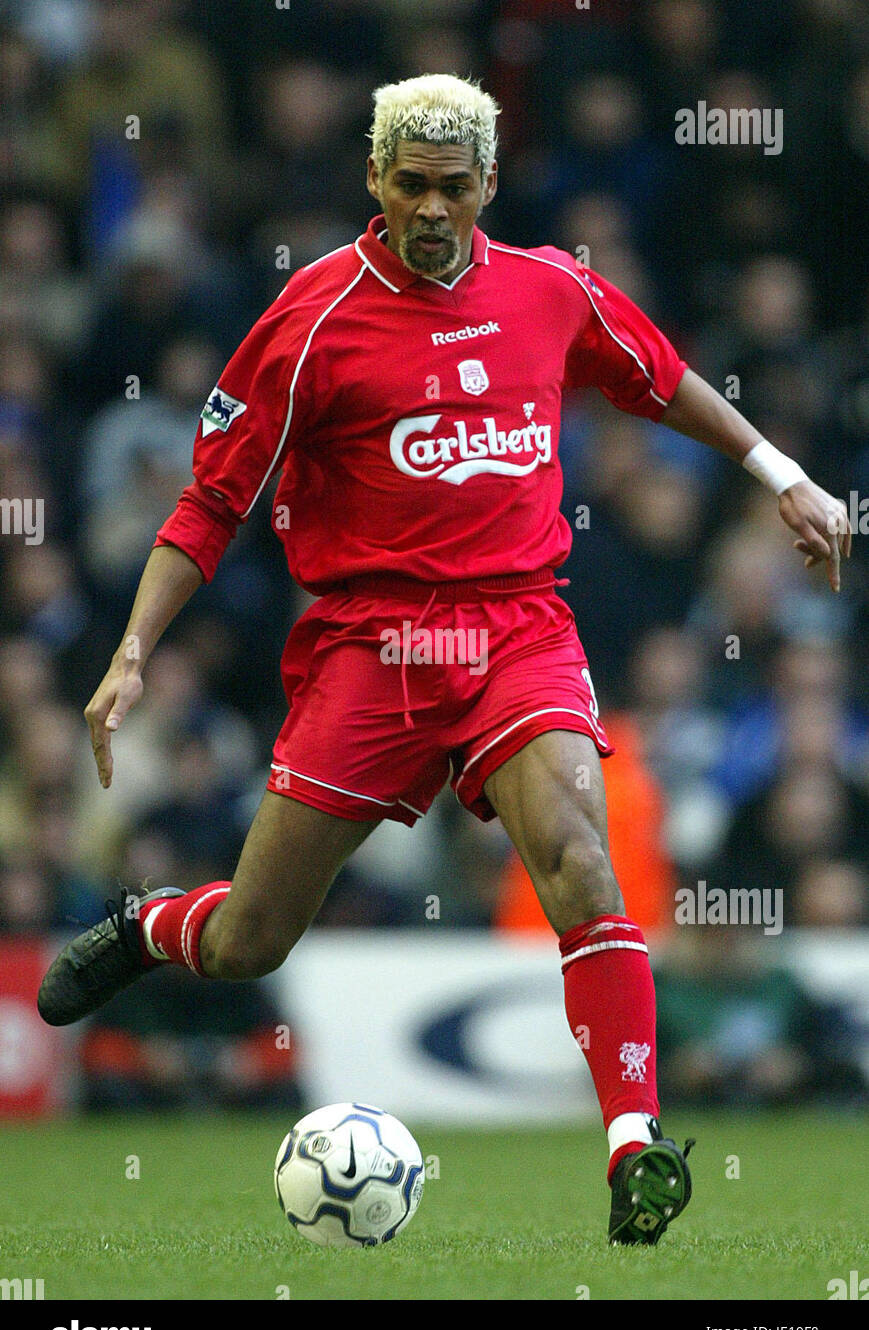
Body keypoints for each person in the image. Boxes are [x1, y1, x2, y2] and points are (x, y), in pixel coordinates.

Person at [38, 74, 851, 1246]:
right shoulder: (311, 317)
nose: (429, 207)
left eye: (452, 186)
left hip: (517, 627)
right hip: (369, 647)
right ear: (374, 177)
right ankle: (153, 926)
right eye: (408, 183)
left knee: (578, 859)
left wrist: (782, 476)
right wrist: (127, 655)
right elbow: (211, 500)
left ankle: (634, 1144)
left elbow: (660, 376)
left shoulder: (548, 288)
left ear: (487, 185)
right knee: (250, 940)